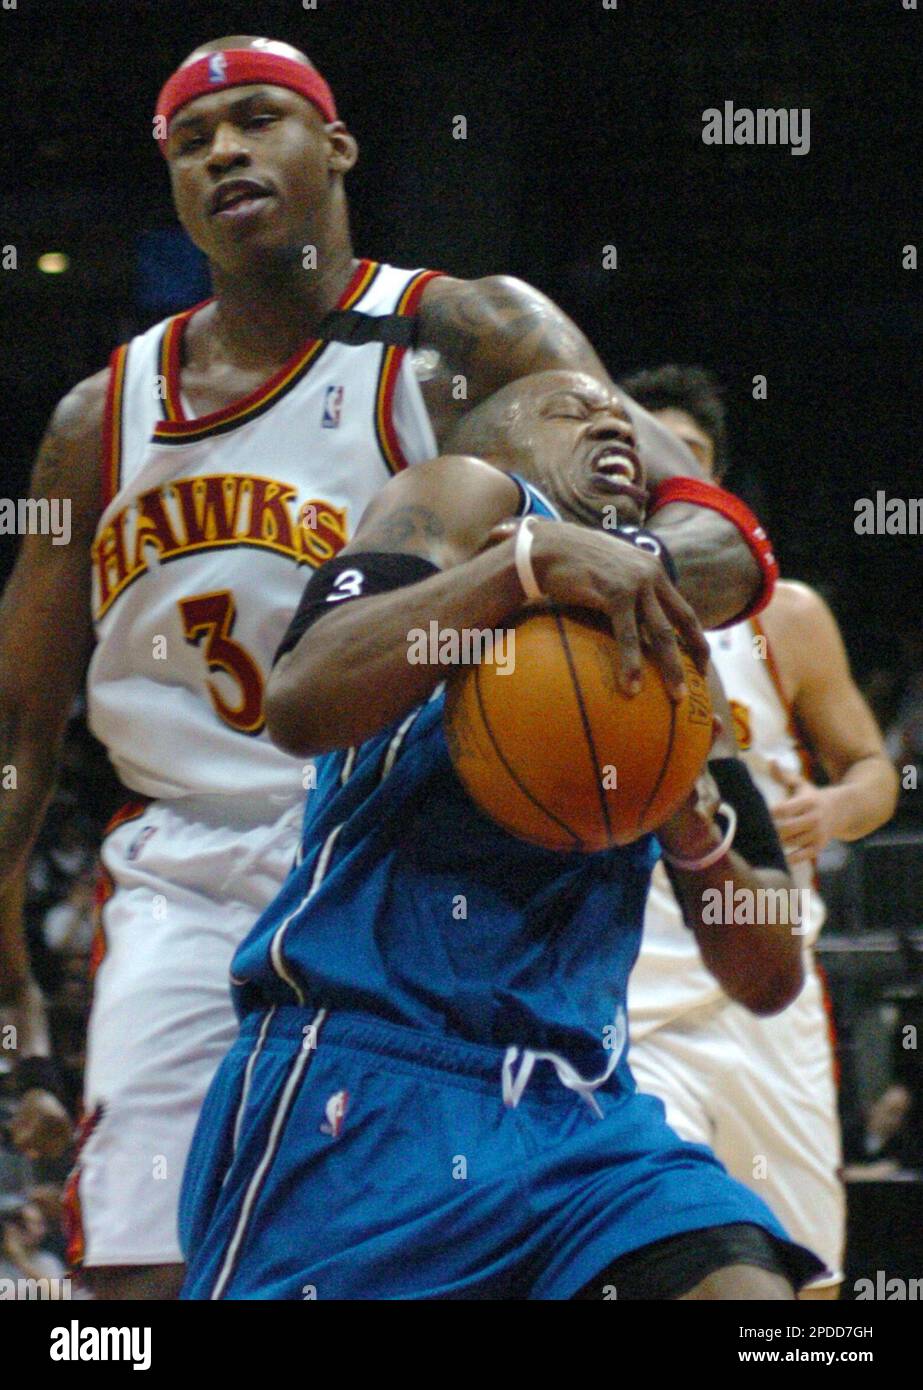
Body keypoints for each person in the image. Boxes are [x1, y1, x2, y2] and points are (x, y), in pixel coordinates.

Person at [0, 40, 777, 1300]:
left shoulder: (463, 331)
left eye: (258, 121)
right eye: (190, 142)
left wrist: (584, 563)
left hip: (410, 848)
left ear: (339, 147)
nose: (224, 154)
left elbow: (715, 536)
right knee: (144, 1285)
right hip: (192, 872)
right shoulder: (102, 419)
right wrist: (20, 1013)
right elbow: (20, 734)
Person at [179, 370, 823, 1300]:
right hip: (363, 1083)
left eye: (622, 422)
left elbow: (769, 978)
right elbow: (301, 697)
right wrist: (519, 569)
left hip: (583, 1117)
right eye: (571, 411)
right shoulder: (461, 496)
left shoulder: (670, 648)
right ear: (501, 444)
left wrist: (686, 821)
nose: (611, 424)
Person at [619, 364, 899, 1299]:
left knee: (811, 1279)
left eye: (686, 463)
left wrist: (832, 810)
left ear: (714, 488)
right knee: (659, 1265)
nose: (663, 482)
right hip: (634, 1005)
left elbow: (873, 772)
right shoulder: (576, 623)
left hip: (766, 994)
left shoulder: (785, 616)